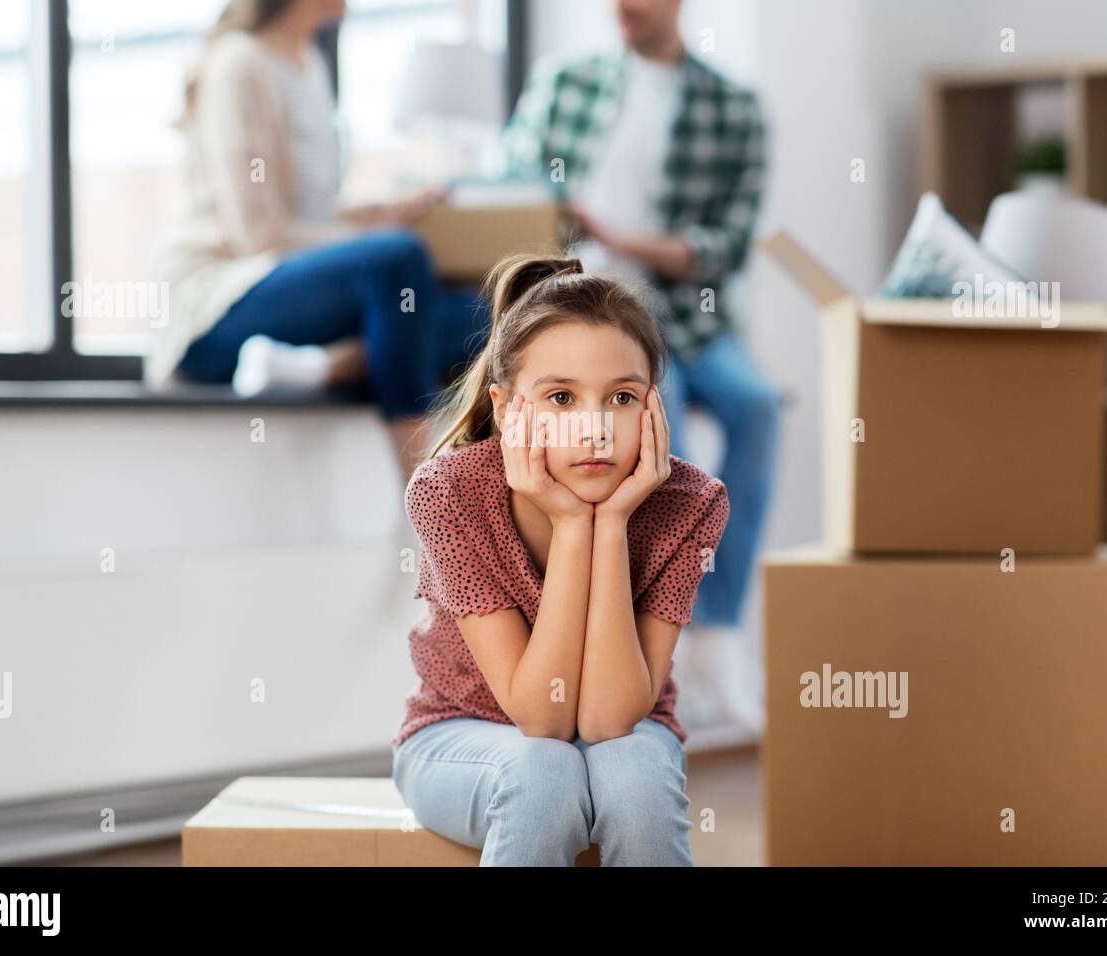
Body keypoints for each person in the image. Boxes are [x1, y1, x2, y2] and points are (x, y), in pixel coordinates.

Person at [390, 253, 729, 866]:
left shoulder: (691, 503)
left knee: (634, 773)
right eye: (562, 399)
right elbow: (543, 718)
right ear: (506, 409)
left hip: (626, 727)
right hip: (463, 733)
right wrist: (575, 525)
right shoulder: (450, 493)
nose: (594, 430)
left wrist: (614, 521)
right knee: (544, 772)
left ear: (654, 408)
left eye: (622, 397)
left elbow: (607, 721)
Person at [499, 0, 777, 738]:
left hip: (686, 310)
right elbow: (512, 192)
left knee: (757, 407)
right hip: (589, 314)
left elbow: (727, 244)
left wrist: (628, 239)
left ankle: (716, 621)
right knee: (658, 420)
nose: (623, 7)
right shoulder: (565, 82)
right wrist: (569, 229)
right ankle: (656, 628)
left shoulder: (731, 106)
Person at [147, 0, 486, 482]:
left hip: (286, 289)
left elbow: (310, 215)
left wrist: (382, 213)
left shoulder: (310, 65)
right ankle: (426, 498)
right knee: (398, 262)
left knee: (482, 317)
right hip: (219, 302)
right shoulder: (239, 64)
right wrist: (375, 235)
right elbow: (259, 234)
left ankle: (316, 367)